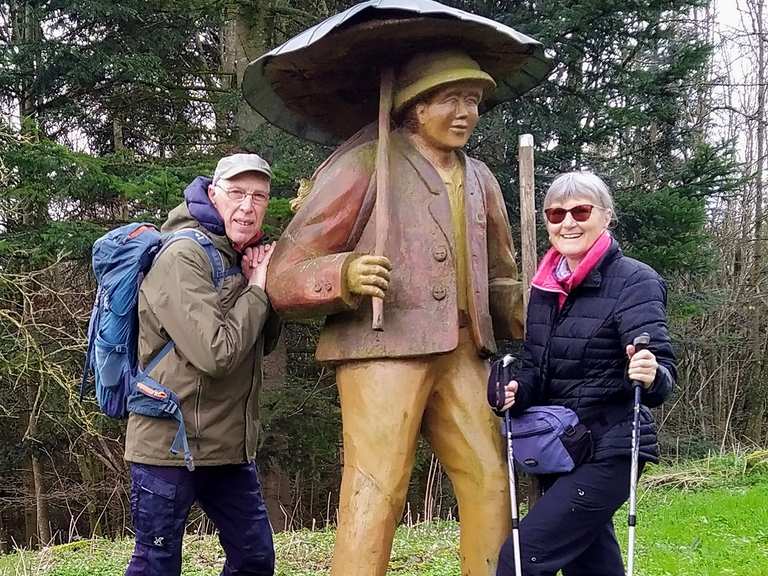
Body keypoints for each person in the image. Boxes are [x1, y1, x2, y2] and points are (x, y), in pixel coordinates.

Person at [266, 50, 525, 576]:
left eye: (473, 100)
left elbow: (500, 273)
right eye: (450, 99)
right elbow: (284, 273)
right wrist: (343, 274)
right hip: (381, 348)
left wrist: (534, 318)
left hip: (463, 351)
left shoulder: (481, 179)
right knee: (377, 488)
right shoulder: (365, 162)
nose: (465, 112)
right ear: (414, 106)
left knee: (492, 478)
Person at [494, 171, 676, 576]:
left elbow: (661, 371)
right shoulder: (544, 289)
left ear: (606, 217)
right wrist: (515, 391)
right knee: (591, 566)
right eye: (556, 213)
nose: (567, 222)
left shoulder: (635, 280)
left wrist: (649, 372)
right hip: (560, 448)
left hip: (611, 448)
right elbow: (534, 368)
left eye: (580, 210)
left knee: (521, 559)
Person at [124, 153, 280, 576]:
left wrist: (252, 283)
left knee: (254, 558)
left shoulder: (234, 254)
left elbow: (256, 346)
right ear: (213, 195)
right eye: (237, 193)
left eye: (259, 196)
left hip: (226, 449)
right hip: (169, 446)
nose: (248, 206)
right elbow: (218, 353)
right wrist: (258, 290)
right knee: (157, 565)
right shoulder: (183, 255)